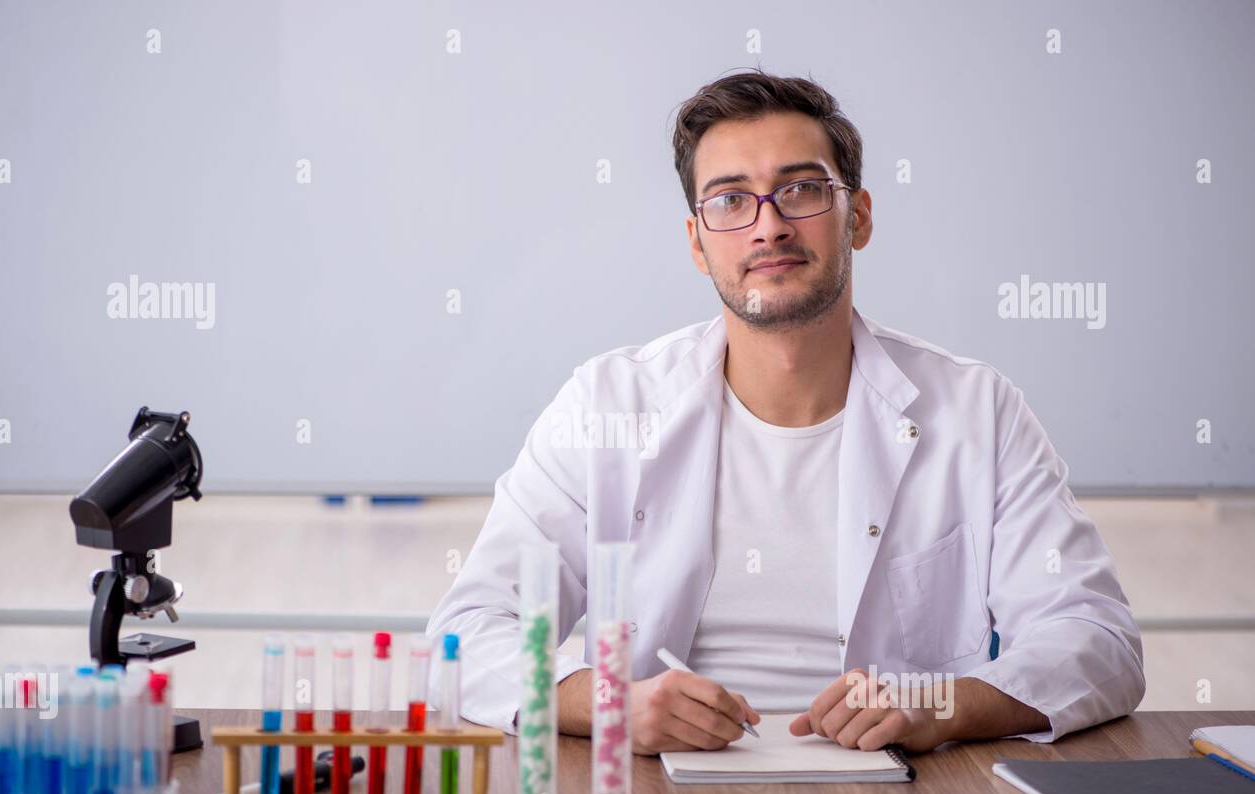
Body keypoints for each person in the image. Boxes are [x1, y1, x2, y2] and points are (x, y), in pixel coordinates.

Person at [425, 69, 1144, 756]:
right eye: (731, 200)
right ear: (698, 245)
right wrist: (613, 701)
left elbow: (1096, 636)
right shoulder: (606, 406)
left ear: (857, 217)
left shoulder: (977, 411)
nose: (767, 226)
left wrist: (940, 702)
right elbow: (469, 631)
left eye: (800, 189)